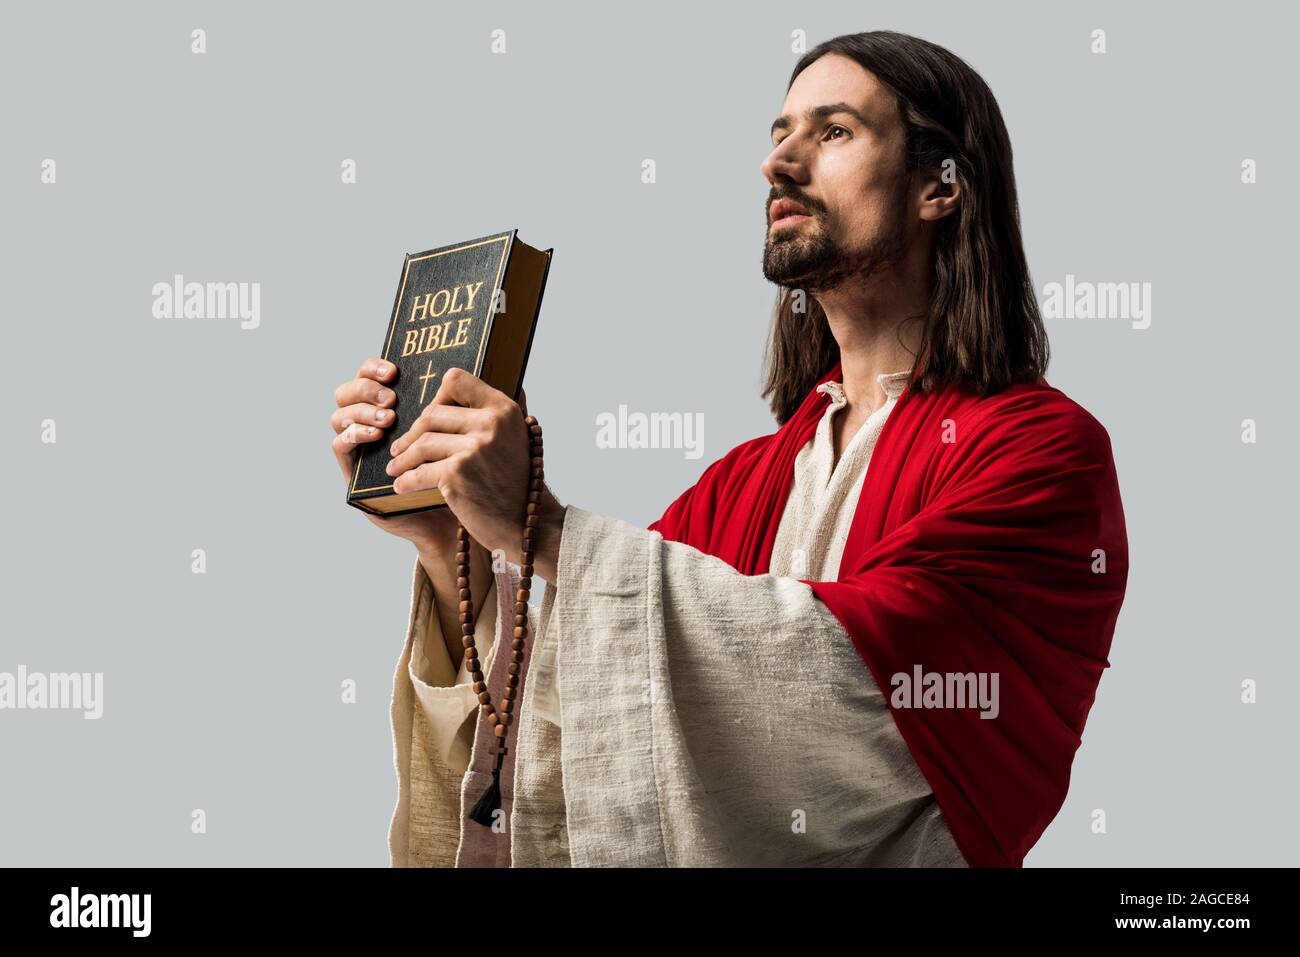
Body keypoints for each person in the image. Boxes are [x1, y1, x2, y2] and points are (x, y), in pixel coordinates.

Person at [328, 30, 1129, 868]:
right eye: (779, 132)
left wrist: (548, 531)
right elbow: (591, 717)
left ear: (941, 184)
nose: (778, 163)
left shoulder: (1043, 452)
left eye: (834, 131)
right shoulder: (740, 484)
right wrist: (452, 537)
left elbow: (867, 694)